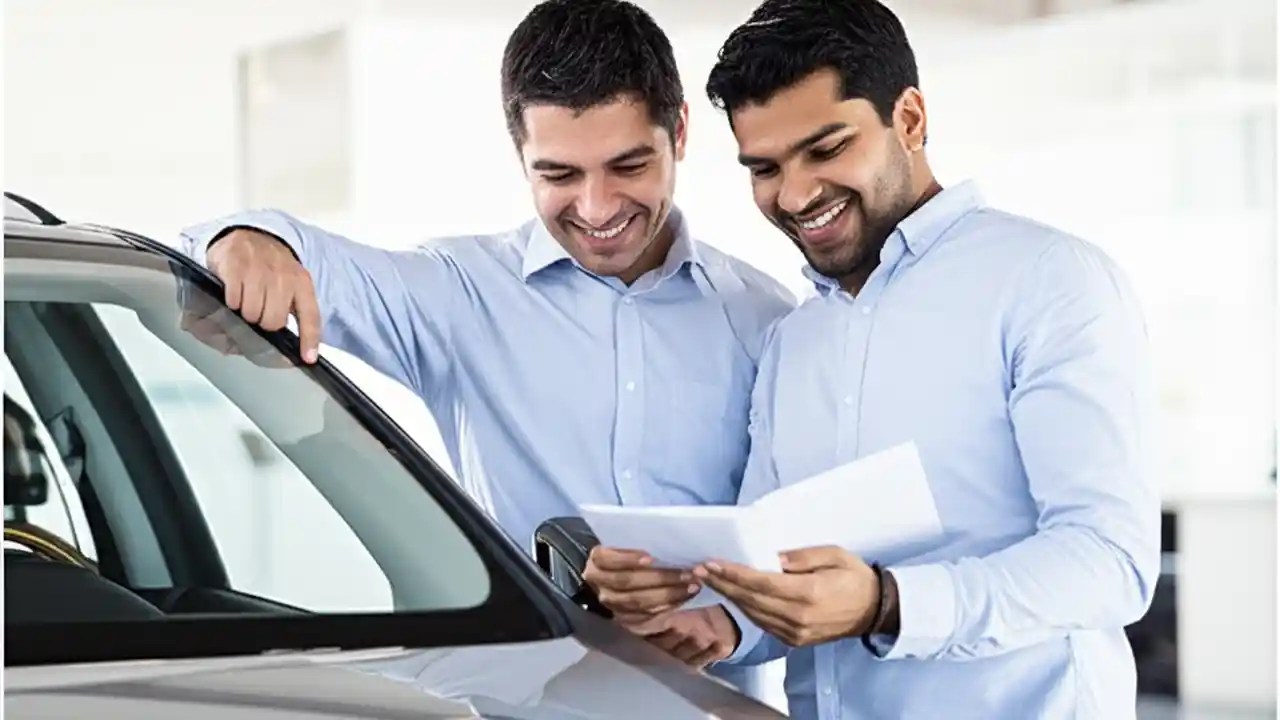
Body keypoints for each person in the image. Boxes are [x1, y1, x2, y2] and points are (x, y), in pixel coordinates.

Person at [176, 0, 793, 697]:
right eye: (559, 175)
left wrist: (733, 623)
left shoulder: (767, 320)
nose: (596, 207)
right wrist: (244, 238)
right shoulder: (459, 296)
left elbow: (804, 552)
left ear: (678, 131)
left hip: (714, 708)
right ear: (520, 157)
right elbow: (287, 254)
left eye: (628, 165)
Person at [581, 1, 1162, 717]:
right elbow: (777, 575)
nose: (794, 195)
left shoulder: (1049, 281)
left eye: (826, 150)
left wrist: (886, 603)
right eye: (765, 167)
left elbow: (1110, 564)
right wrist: (718, 624)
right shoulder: (795, 339)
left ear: (910, 120)